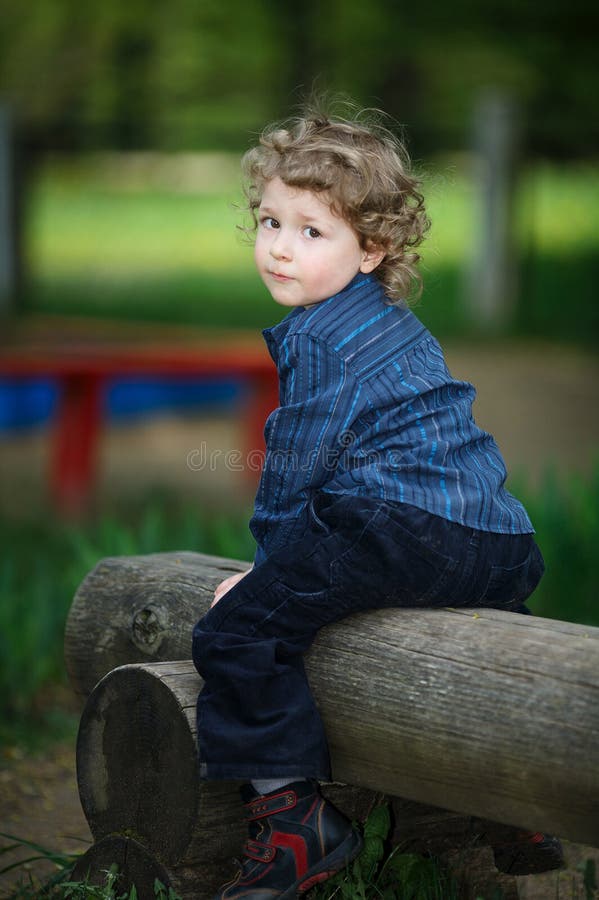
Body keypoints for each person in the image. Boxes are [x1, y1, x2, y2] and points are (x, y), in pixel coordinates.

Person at [192, 104, 560, 899]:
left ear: (374, 249)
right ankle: (515, 802)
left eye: (311, 231)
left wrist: (264, 579)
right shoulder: (393, 323)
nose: (280, 247)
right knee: (476, 642)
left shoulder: (322, 337)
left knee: (233, 633)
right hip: (500, 542)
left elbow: (297, 470)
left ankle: (292, 820)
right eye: (268, 221)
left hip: (405, 528)